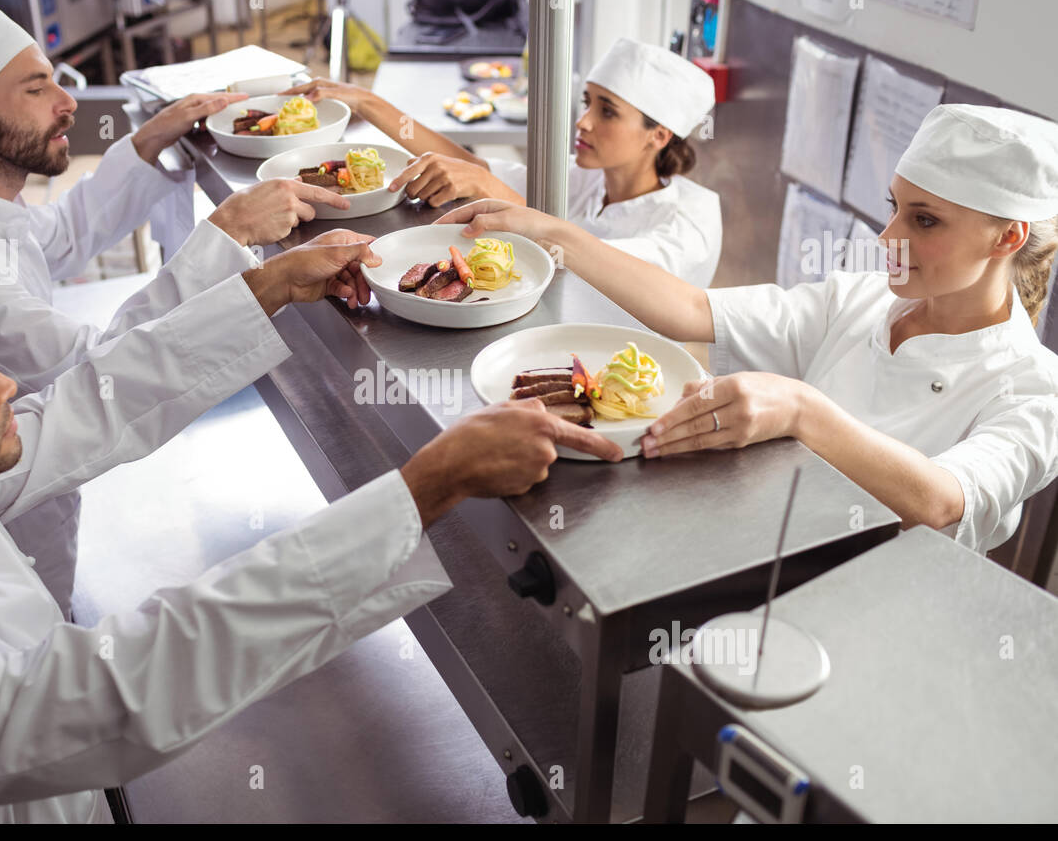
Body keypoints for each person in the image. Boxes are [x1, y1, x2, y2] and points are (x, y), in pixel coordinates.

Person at [0, 240, 622, 823]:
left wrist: (268, 287)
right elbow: (141, 675)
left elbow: (86, 405)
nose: (6, 385)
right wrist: (428, 485)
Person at [0, 2, 354, 613]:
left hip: (26, 497)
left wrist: (148, 143)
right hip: (2, 540)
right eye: (36, 86)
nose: (67, 100)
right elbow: (95, 367)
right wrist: (227, 235)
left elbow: (57, 236)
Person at [437, 104, 1058, 554]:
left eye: (924, 221)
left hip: (889, 614)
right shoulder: (860, 301)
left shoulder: (1035, 389)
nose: (888, 237)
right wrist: (555, 233)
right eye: (894, 208)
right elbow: (691, 310)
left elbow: (944, 499)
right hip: (773, 550)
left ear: (1008, 237)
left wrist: (799, 408)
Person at [285, 36, 722, 286]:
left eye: (607, 111)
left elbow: (592, 264)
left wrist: (490, 190)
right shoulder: (587, 179)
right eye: (588, 103)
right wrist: (370, 103)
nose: (583, 122)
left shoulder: (688, 228)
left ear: (658, 135)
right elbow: (476, 169)